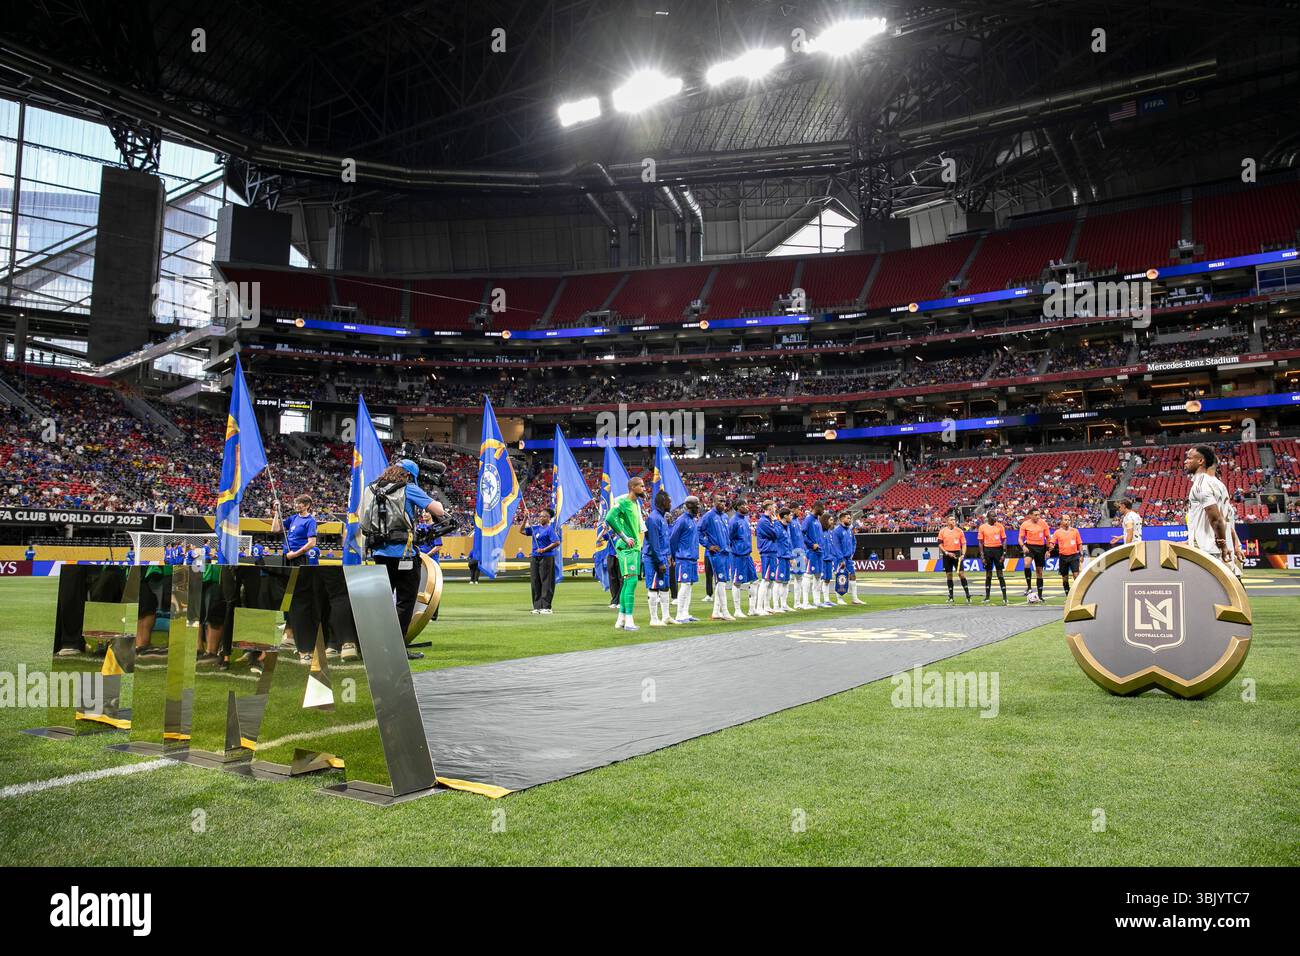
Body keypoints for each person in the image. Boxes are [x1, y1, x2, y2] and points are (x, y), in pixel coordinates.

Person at [366, 459, 444, 660]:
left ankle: (376, 646)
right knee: (405, 601)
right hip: (404, 553)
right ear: (408, 475)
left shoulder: (372, 489)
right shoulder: (408, 488)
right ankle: (396, 648)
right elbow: (438, 511)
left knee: (381, 602)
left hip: (379, 553)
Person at [605, 475, 648, 631]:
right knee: (631, 582)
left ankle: (621, 619)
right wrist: (624, 536)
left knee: (628, 583)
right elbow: (609, 517)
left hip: (635, 547)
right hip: (626, 547)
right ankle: (629, 620)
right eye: (641, 486)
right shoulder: (623, 502)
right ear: (633, 488)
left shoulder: (636, 503)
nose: (644, 488)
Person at [1185, 445, 1230, 562]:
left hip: (1203, 550)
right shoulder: (1215, 483)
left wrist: (1223, 545)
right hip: (1210, 548)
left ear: (1200, 461)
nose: (1186, 461)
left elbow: (1216, 519)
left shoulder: (1201, 484)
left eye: (1189, 458)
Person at [668, 495, 702, 624]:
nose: (698, 507)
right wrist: (672, 555)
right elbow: (673, 539)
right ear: (688, 506)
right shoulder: (682, 520)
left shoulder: (693, 520)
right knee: (685, 584)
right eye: (695, 504)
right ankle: (679, 614)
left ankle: (686, 613)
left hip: (692, 558)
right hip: (684, 558)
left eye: (698, 504)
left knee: (689, 586)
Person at [699, 494, 733, 621]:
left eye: (724, 501)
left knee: (721, 582)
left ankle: (716, 612)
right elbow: (699, 531)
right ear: (713, 502)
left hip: (726, 553)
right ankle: (724, 611)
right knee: (721, 582)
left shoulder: (725, 516)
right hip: (716, 554)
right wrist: (708, 545)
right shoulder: (708, 516)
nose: (723, 503)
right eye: (720, 501)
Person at [520, 506, 560, 613]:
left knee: (546, 582)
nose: (541, 518)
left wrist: (544, 549)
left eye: (543, 516)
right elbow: (522, 531)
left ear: (548, 518)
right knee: (535, 582)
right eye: (540, 516)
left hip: (546, 558)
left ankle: (546, 607)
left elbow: (556, 542)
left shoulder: (549, 529)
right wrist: (525, 518)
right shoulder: (535, 528)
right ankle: (537, 607)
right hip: (535, 557)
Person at [642, 489, 673, 626]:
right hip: (653, 559)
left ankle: (666, 616)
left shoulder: (662, 518)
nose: (671, 503)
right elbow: (654, 543)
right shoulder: (653, 519)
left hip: (663, 557)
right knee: (654, 587)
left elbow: (665, 540)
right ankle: (653, 619)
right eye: (669, 501)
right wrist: (660, 561)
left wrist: (669, 555)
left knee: (665, 587)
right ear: (663, 502)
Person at [727, 497, 757, 617]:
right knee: (737, 583)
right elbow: (728, 538)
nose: (747, 506)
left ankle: (752, 609)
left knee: (754, 581)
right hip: (737, 556)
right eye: (744, 505)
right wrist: (735, 550)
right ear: (738, 507)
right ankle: (737, 610)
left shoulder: (745, 519)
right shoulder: (733, 521)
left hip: (747, 555)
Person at [271, 495, 317, 566]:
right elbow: (275, 529)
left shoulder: (310, 521)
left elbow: (312, 543)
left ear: (307, 505)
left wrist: (295, 554)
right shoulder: (293, 518)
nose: (296, 505)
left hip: (299, 557)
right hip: (287, 554)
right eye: (295, 503)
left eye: (299, 503)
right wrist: (277, 512)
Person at [1018, 507, 1051, 603]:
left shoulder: (1043, 523)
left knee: (1039, 572)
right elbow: (1020, 538)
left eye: (1038, 515)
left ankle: (1040, 596)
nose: (1038, 516)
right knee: (1027, 563)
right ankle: (1029, 587)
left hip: (1041, 548)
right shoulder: (1025, 524)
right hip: (1029, 547)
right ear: (1030, 515)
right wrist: (1023, 546)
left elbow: (1048, 538)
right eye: (1036, 515)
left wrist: (1048, 550)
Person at [938, 513, 971, 605]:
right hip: (947, 554)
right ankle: (951, 596)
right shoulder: (942, 531)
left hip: (957, 554)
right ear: (947, 521)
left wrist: (963, 554)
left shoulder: (959, 531)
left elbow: (964, 544)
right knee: (949, 575)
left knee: (961, 574)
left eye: (954, 520)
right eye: (951, 519)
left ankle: (968, 595)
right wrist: (946, 553)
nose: (953, 521)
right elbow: (940, 544)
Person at [833, 511, 865, 605]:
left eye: (850, 518)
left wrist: (852, 553)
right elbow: (836, 546)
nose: (850, 519)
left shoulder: (849, 530)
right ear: (842, 519)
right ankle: (839, 598)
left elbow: (854, 542)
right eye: (848, 518)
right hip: (840, 559)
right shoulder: (837, 530)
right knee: (841, 577)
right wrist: (841, 559)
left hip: (848, 558)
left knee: (853, 576)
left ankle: (855, 598)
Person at [802, 501, 830, 608]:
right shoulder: (808, 519)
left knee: (818, 576)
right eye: (822, 507)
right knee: (808, 575)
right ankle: (805, 602)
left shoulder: (817, 520)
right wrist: (811, 544)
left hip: (819, 552)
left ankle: (817, 601)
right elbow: (802, 533)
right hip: (812, 552)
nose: (823, 509)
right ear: (815, 507)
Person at [978, 510, 1009, 605]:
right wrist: (982, 556)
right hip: (987, 550)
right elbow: (980, 542)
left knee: (1000, 574)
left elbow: (1004, 540)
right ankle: (987, 597)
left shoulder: (1000, 526)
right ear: (988, 517)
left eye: (995, 516)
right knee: (988, 574)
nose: (995, 518)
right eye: (993, 516)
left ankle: (1005, 597)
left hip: (998, 550)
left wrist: (1004, 553)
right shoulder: (982, 527)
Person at [1049, 514, 1083, 597]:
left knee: (1076, 576)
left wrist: (1081, 554)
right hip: (1063, 557)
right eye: (1065, 520)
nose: (1067, 521)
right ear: (1061, 521)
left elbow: (1080, 543)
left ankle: (1078, 596)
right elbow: (1052, 542)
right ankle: (1068, 596)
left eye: (1068, 520)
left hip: (1074, 556)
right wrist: (1050, 548)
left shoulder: (1075, 531)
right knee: (1065, 578)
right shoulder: (1057, 532)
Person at [755, 500, 779, 617]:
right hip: (767, 552)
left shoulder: (768, 521)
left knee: (770, 581)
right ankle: (759, 607)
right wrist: (775, 523)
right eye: (774, 507)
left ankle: (767, 606)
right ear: (769, 508)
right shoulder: (764, 522)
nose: (775, 509)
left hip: (772, 552)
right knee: (765, 580)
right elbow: (776, 534)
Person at [788, 503, 811, 610]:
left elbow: (800, 539)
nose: (799, 511)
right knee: (787, 579)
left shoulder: (797, 521)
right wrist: (791, 554)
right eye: (798, 509)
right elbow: (789, 539)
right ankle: (784, 603)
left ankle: (797, 602)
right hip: (793, 553)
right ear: (792, 510)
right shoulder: (789, 522)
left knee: (799, 578)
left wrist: (804, 552)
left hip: (800, 552)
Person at [775, 507, 794, 612]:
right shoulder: (777, 526)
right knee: (778, 581)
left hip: (787, 556)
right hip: (780, 557)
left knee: (786, 581)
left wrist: (791, 556)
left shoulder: (788, 527)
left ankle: (784, 604)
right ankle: (776, 606)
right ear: (785, 516)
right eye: (790, 515)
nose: (791, 517)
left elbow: (789, 543)